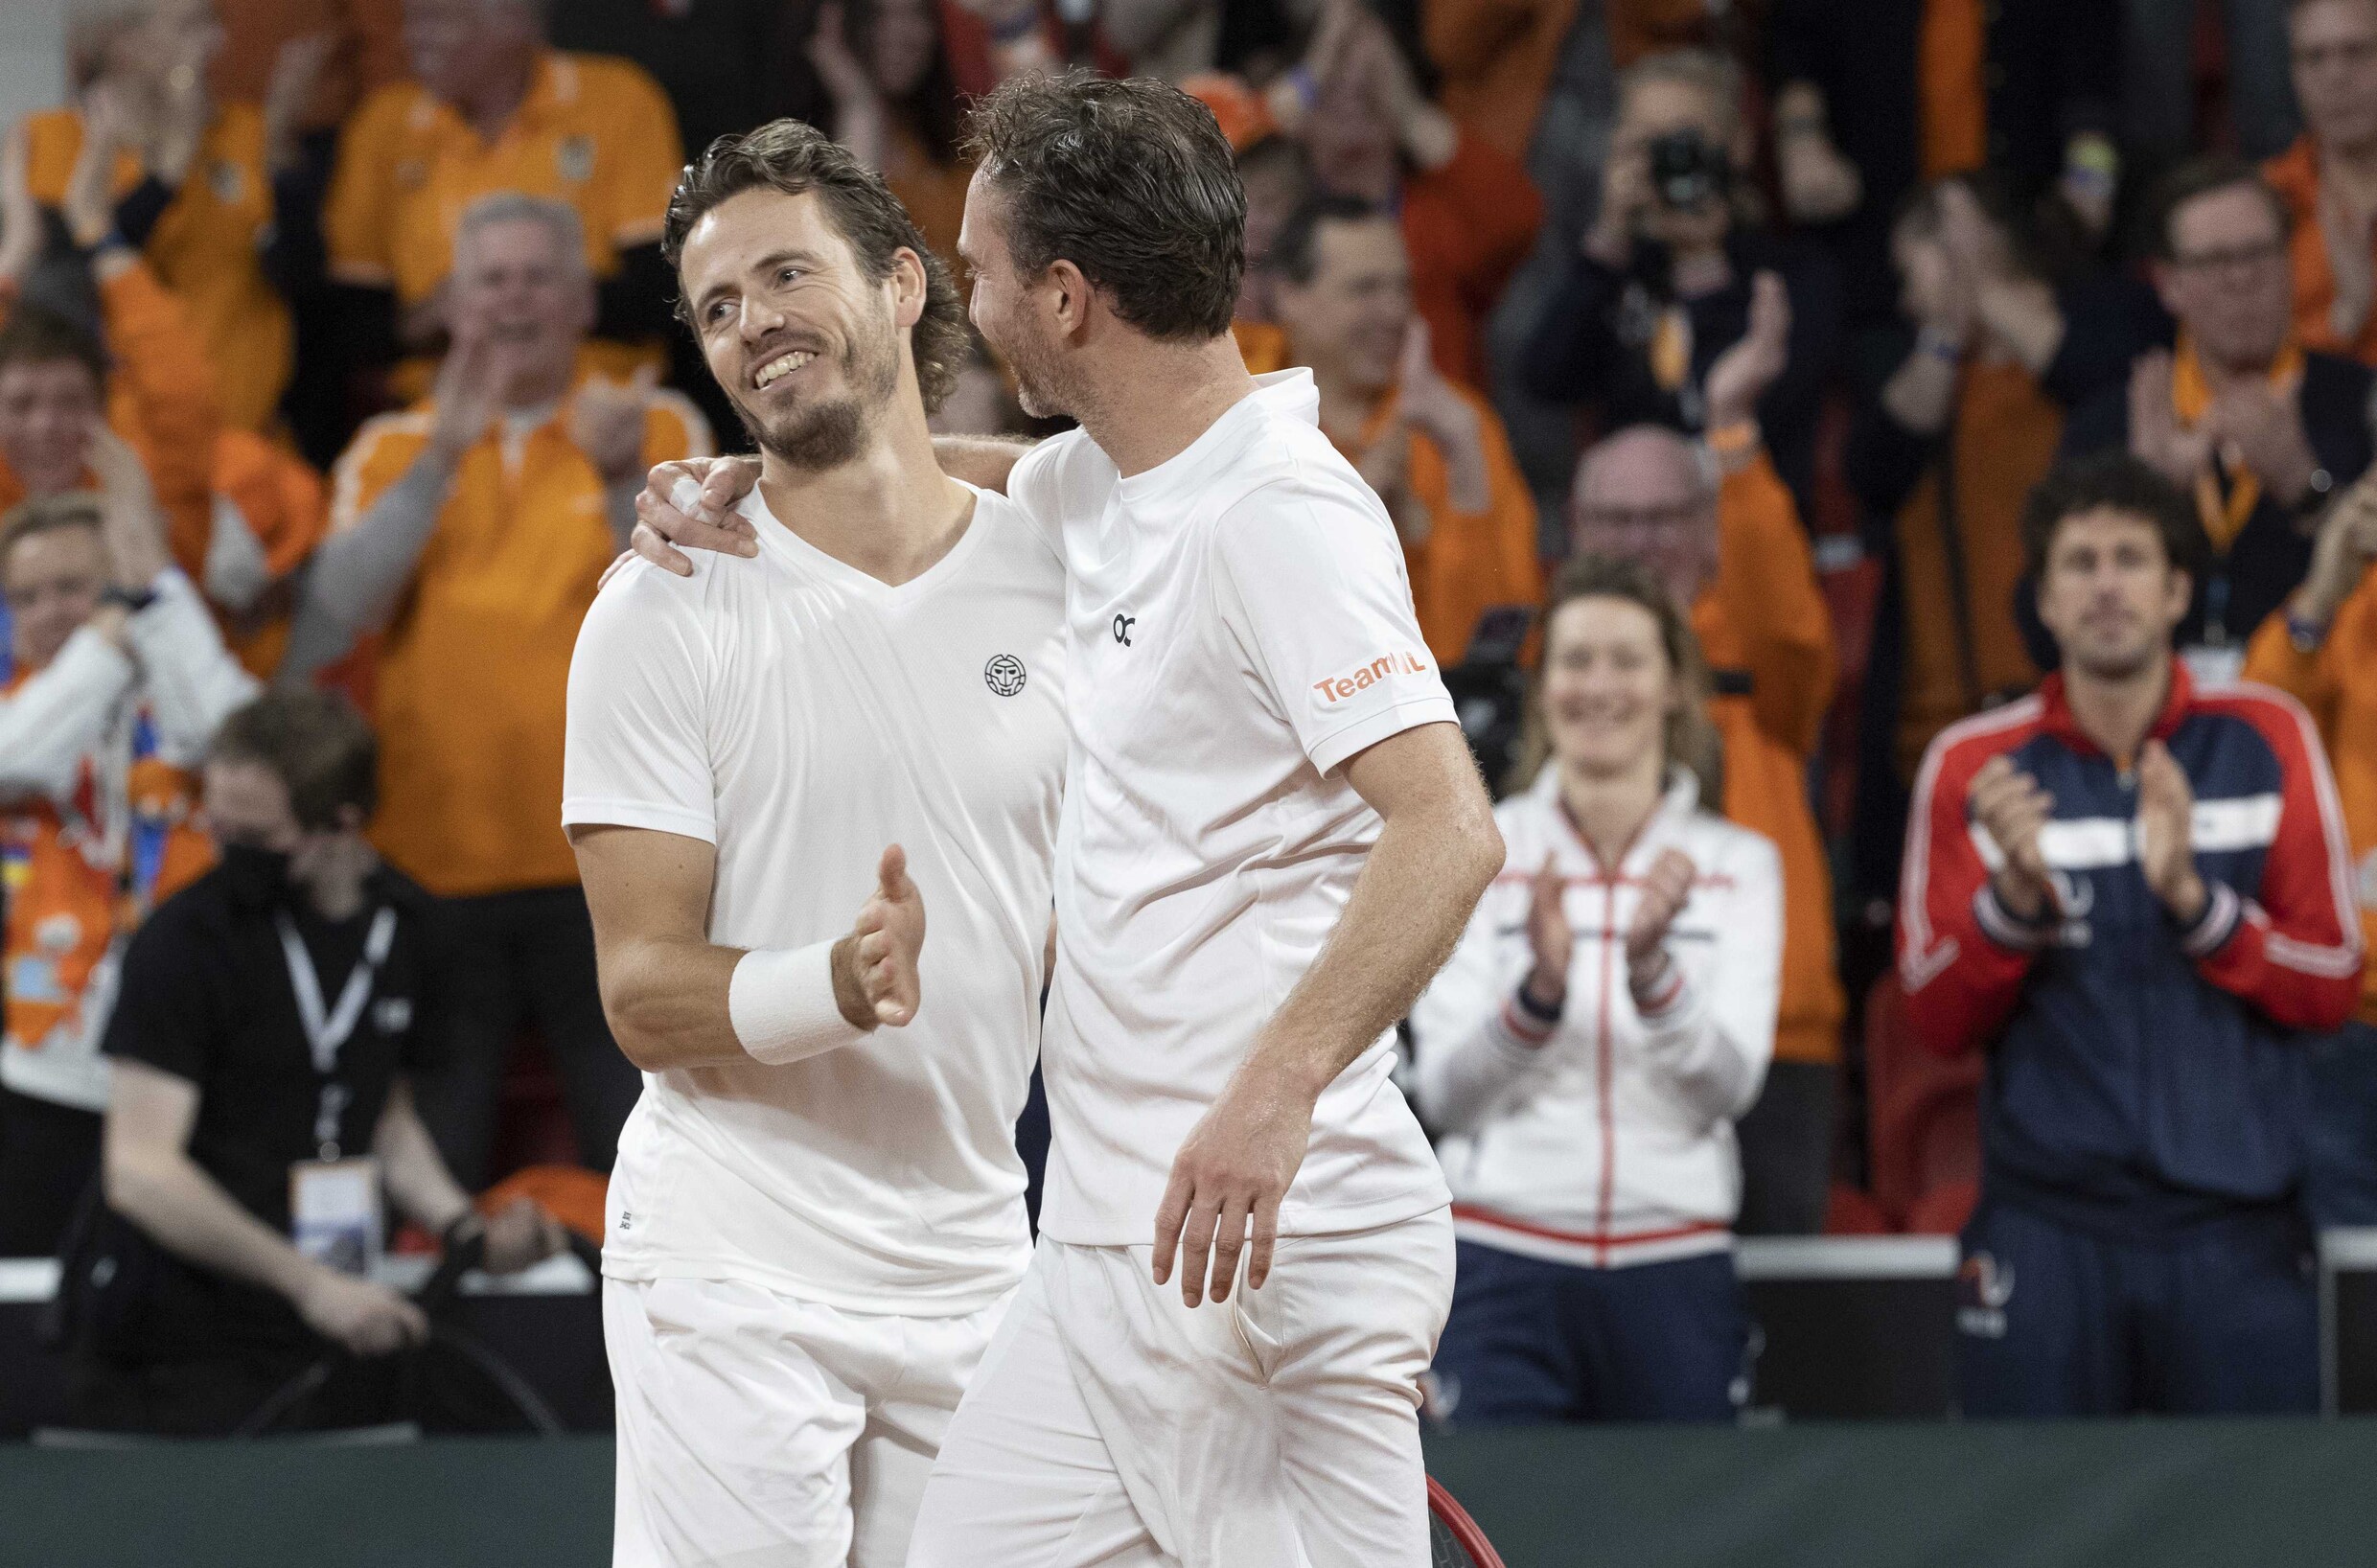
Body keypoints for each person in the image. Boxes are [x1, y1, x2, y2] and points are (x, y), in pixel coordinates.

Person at [633, 69, 1504, 1568]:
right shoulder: (1113, 483)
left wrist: (1274, 1095)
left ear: (1068, 296)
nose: (960, 298)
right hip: (1109, 1246)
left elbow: (1450, 830)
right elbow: (974, 475)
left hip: (1266, 1234)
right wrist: (751, 481)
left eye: (977, 270)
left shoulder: (1278, 512)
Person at [565, 117, 1062, 1568]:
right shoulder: (660, 607)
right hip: (728, 1262)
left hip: (979, 1260)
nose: (753, 326)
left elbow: (1192, 464)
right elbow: (641, 991)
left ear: (907, 286)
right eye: (716, 308)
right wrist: (827, 987)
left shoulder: (1073, 560)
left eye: (787, 276)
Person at [1899, 452, 2364, 1417]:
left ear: (2175, 590)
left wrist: (2196, 906)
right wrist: (2014, 910)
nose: (2104, 584)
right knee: (2025, 1532)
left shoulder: (2264, 735)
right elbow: (1934, 1017)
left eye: (2128, 559)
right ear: (2044, 600)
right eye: (2077, 563)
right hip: (2045, 1228)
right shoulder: (1973, 765)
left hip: (2236, 1233)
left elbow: (2329, 983)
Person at [284, 194, 712, 1188]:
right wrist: (441, 456)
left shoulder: (655, 421)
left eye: (534, 277)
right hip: (432, 866)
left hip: (612, 861)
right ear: (451, 306)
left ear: (577, 299)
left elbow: (693, 617)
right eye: (489, 280)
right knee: (436, 1162)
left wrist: (619, 482)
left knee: (648, 1156)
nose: (512, 301)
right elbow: (332, 618)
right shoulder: (394, 442)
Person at [75, 689, 563, 1436]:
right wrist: (309, 1286)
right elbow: (141, 1170)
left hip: (337, 1317)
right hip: (188, 1334)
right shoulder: (185, 941)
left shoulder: (410, 925)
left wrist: (463, 1225)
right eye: (218, 823)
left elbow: (384, 1116)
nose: (226, 846)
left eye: (255, 833)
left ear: (340, 825)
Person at [1412, 552, 1779, 1423]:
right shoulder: (1478, 852)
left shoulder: (1738, 865)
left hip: (1675, 1257)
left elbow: (1729, 1088)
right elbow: (1448, 1096)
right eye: (1575, 661)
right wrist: (1537, 998)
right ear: (1543, 691)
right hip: (1502, 1257)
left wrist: (1654, 978)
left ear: (1675, 689)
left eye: (1627, 661)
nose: (1598, 686)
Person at [1566, 287, 1844, 1237]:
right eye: (1616, 522)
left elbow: (1789, 621)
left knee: (1778, 1334)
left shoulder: (1758, 661)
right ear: (1575, 532)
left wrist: (1728, 434)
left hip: (1766, 1038)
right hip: (1584, 1043)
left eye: (1666, 518)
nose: (1641, 545)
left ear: (1709, 525)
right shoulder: (1548, 671)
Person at [1, 486, 255, 1258]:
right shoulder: (20, 709)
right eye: (26, 596)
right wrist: (107, 633)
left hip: (192, 1069)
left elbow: (239, 744)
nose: (49, 611)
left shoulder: (179, 694)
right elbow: (15, 762)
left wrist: (161, 601)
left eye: (75, 587)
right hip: (47, 1071)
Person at [2059, 158, 2373, 680]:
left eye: (2259, 253)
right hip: (2152, 721)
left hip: (2317, 712)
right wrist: (2143, 506)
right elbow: (2037, 621)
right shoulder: (2112, 423)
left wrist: (2305, 487)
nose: (2242, 277)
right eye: (2213, 261)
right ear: (2168, 283)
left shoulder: (2361, 403)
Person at [1522, 49, 1841, 515]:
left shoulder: (1794, 272)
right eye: (1646, 143)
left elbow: (1776, 408)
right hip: (1633, 534)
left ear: (1738, 144)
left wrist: (1703, 264)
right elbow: (1546, 379)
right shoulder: (1616, 270)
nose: (1668, 161)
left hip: (1751, 534)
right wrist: (1608, 238)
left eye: (1685, 141)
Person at [322, 0, 685, 404]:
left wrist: (518, 300)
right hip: (438, 413)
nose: (414, 38)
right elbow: (347, 326)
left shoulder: (617, 100)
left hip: (600, 408)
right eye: (412, 20)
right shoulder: (385, 125)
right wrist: (430, 316)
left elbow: (665, 292)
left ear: (514, 17)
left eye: (438, 20)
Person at [18, 0, 329, 433]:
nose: (213, 43)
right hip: (115, 434)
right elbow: (74, 282)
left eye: (213, 24)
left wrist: (283, 150)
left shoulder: (246, 131)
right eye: (189, 26)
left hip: (245, 435)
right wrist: (171, 163)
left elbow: (298, 274)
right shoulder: (52, 140)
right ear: (119, 41)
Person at [1267, 195, 1541, 668]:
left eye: (1402, 288)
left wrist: (1465, 465)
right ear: (1289, 296)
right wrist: (1360, 502)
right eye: (1365, 289)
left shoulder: (1455, 421)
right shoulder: (1241, 413)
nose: (1393, 312)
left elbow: (1505, 639)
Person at [2242, 473, 2377, 1227]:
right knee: (2353, 1314)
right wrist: (2320, 593)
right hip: (2352, 1025)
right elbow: (2258, 743)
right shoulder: (2349, 612)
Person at [2265, 0, 2377, 365]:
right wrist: (2348, 316)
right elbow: (2243, 367)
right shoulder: (2264, 200)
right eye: (2313, 57)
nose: (2336, 76)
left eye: (2358, 50)